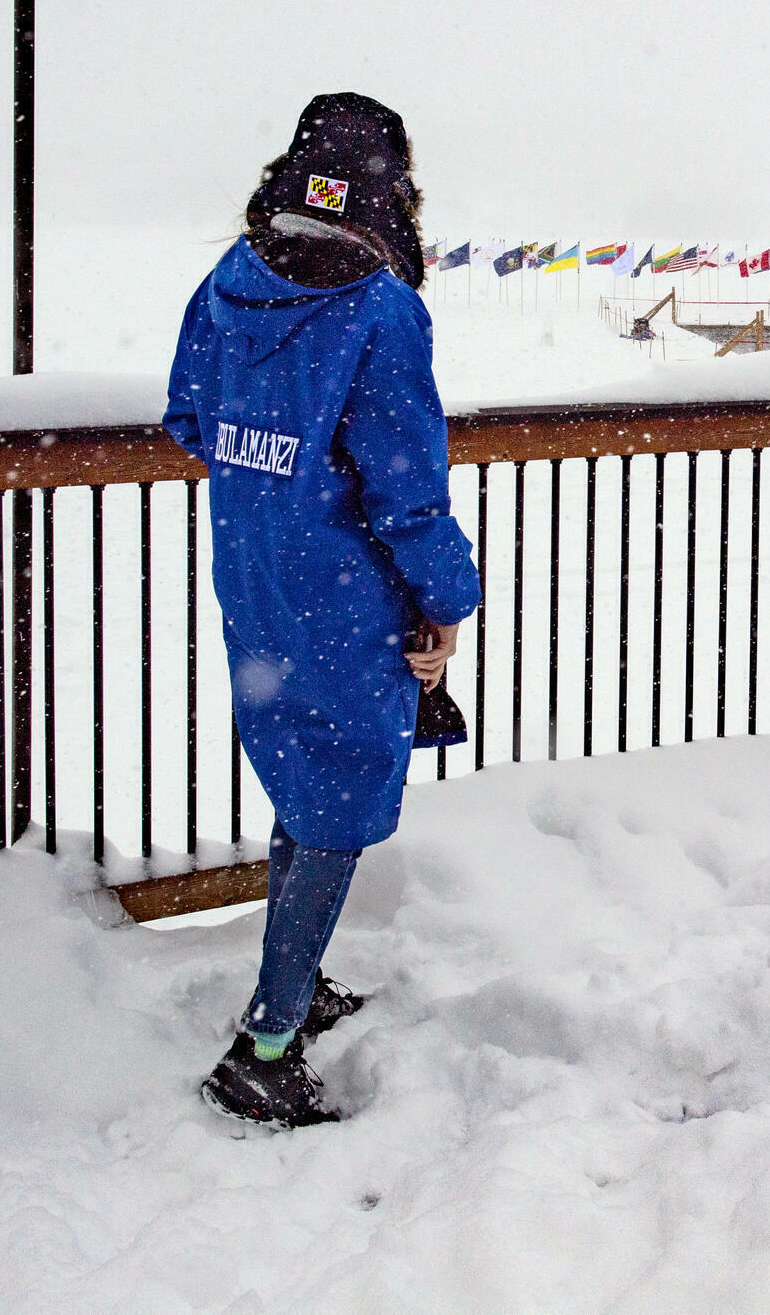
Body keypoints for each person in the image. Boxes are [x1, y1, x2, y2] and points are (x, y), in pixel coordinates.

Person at [162, 92, 481, 1127]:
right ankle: (263, 1045)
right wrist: (446, 600)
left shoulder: (228, 280)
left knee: (302, 771)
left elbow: (186, 419)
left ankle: (291, 988)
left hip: (255, 576)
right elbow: (407, 487)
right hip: (347, 592)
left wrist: (273, 476)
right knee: (339, 793)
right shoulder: (380, 311)